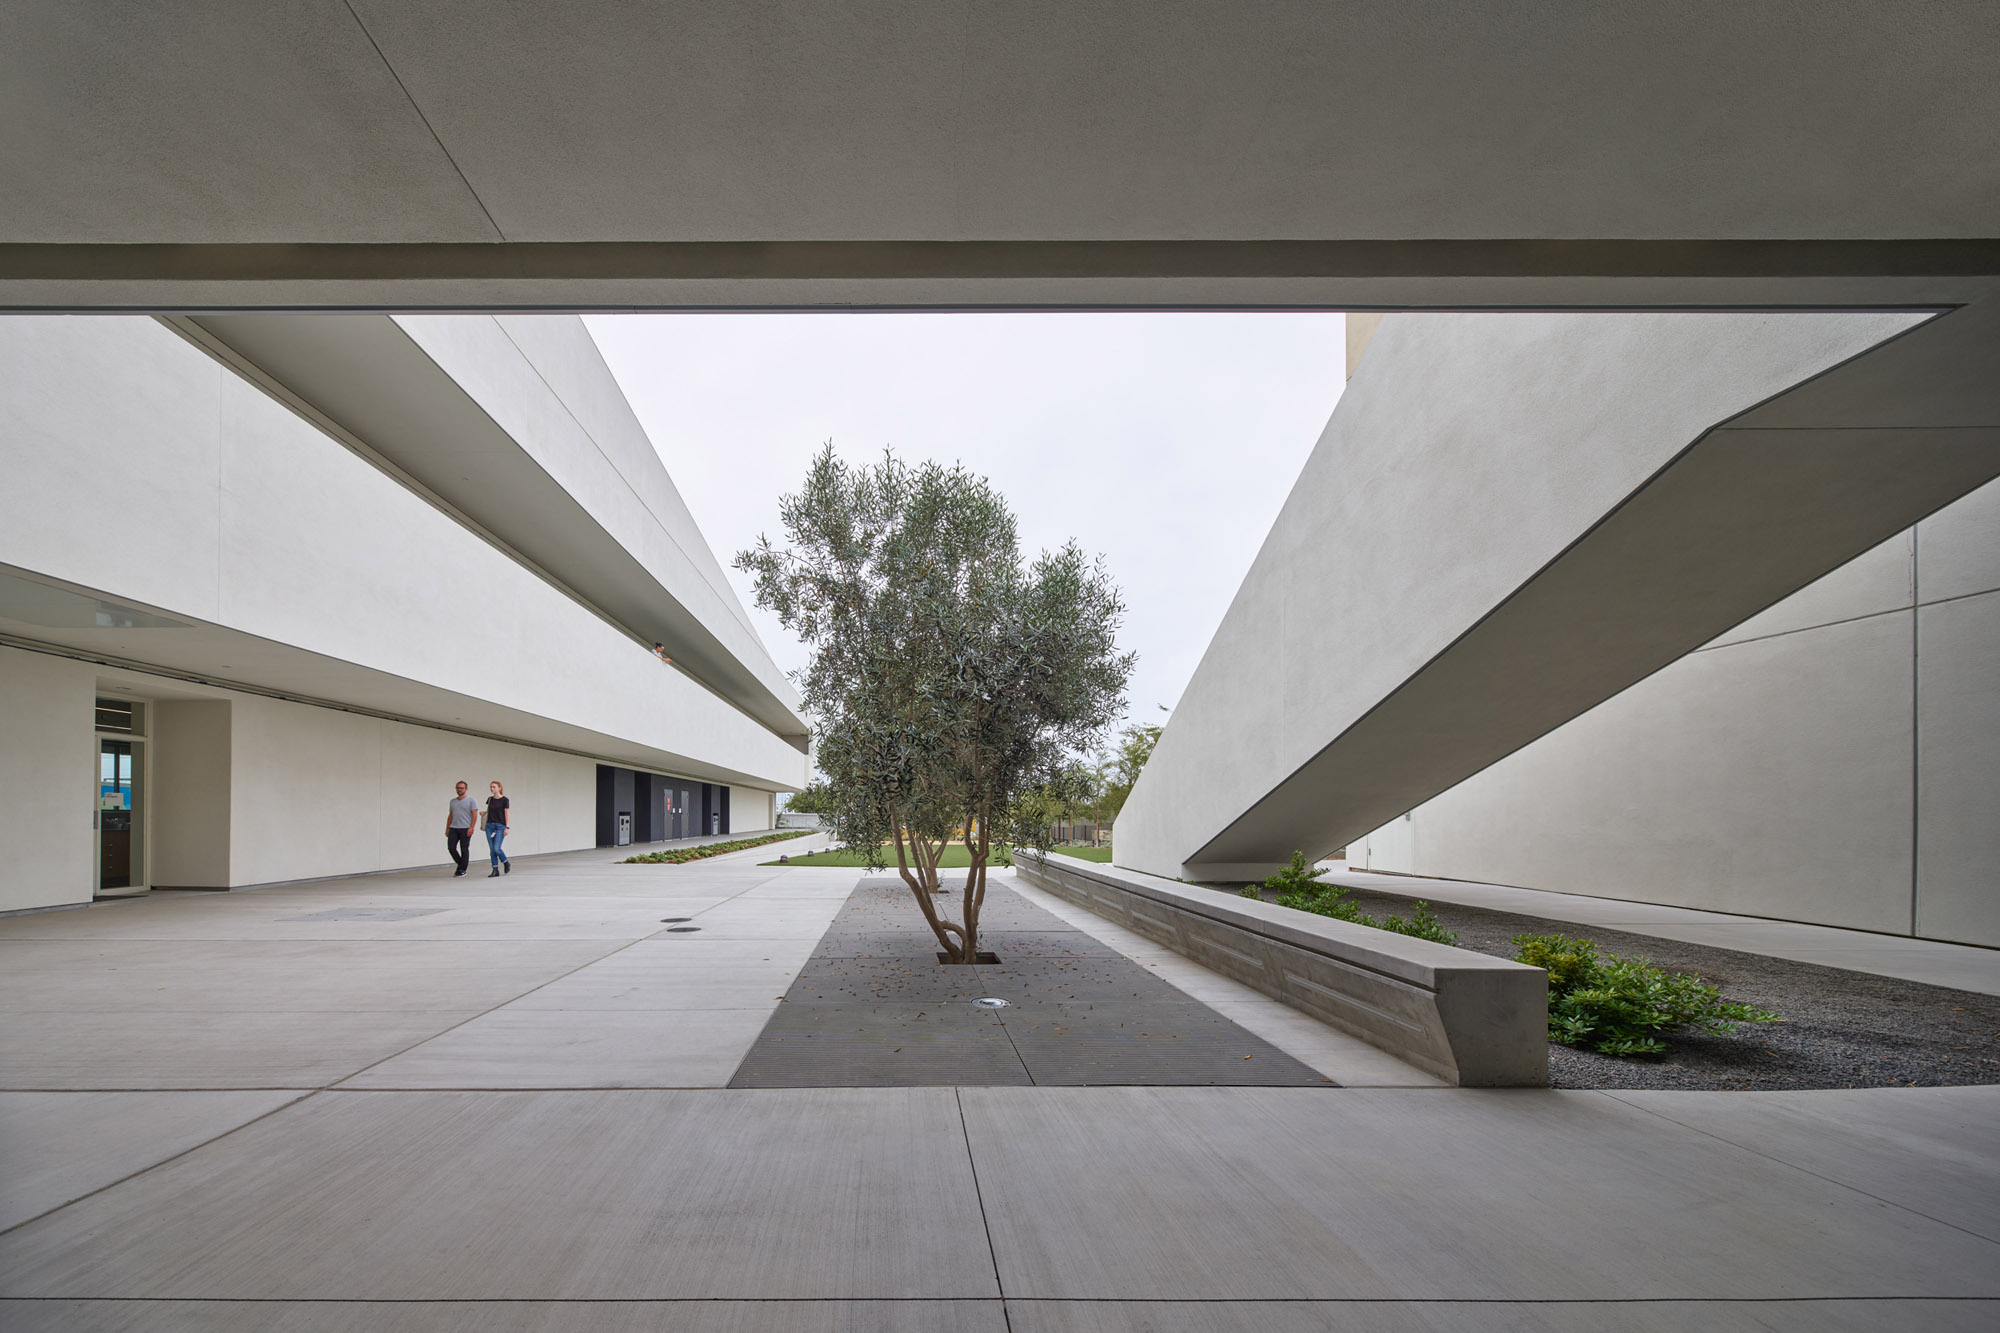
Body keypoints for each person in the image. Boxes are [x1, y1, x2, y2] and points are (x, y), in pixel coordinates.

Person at [445, 781, 477, 876]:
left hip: (465, 828)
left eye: (462, 788)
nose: (459, 790)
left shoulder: (471, 800)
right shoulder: (453, 801)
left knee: (464, 849)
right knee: (451, 848)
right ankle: (461, 864)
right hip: (454, 828)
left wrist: (471, 827)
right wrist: (447, 828)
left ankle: (462, 869)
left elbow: (474, 814)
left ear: (466, 789)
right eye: (458, 788)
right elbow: (450, 815)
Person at [482, 780, 512, 877]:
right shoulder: (490, 799)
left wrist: (507, 827)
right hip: (489, 826)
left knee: (496, 848)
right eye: (491, 787)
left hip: (500, 826)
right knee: (492, 849)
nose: (492, 788)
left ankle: (505, 861)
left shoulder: (505, 800)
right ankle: (495, 869)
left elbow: (507, 813)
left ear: (499, 788)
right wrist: (484, 813)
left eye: (494, 787)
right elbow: (490, 811)